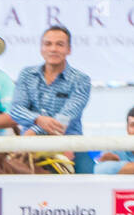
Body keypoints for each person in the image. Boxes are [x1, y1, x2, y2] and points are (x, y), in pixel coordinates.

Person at [7, 25, 93, 172]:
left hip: (69, 143)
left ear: (69, 49)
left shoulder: (81, 80)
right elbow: (15, 110)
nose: (53, 49)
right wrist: (39, 120)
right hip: (28, 146)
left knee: (91, 180)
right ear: (41, 49)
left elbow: (63, 120)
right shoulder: (27, 74)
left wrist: (32, 131)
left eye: (59, 44)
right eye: (48, 44)